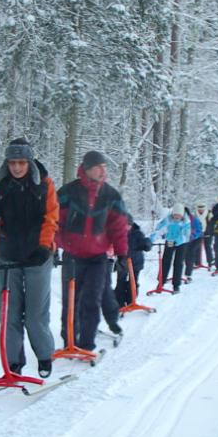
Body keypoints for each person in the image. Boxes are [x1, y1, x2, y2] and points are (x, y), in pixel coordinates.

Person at [0, 138, 60, 378]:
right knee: (8, 313)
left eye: (21, 162)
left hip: (38, 256)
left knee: (36, 314)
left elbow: (51, 217)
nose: (17, 167)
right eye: (13, 162)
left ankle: (45, 355)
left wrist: (44, 247)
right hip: (7, 255)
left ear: (29, 162)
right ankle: (14, 362)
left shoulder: (44, 184)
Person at [55, 151, 131, 353]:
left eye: (105, 167)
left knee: (91, 300)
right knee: (70, 301)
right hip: (72, 256)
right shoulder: (68, 192)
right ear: (87, 169)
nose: (102, 171)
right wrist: (54, 245)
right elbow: (54, 222)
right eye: (98, 167)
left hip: (98, 258)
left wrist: (122, 254)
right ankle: (69, 341)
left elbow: (119, 228)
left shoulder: (111, 195)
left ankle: (86, 345)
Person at [154, 207, 193, 291]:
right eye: (175, 214)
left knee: (178, 263)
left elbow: (186, 235)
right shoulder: (169, 219)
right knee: (165, 262)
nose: (176, 217)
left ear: (182, 215)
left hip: (182, 243)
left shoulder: (186, 221)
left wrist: (178, 241)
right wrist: (153, 237)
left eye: (178, 215)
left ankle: (176, 285)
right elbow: (158, 228)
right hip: (170, 241)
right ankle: (161, 282)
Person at [186, 204, 205, 278]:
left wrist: (193, 236)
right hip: (187, 240)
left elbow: (199, 231)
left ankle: (188, 273)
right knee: (185, 255)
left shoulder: (194, 220)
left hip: (197, 239)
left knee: (190, 253)